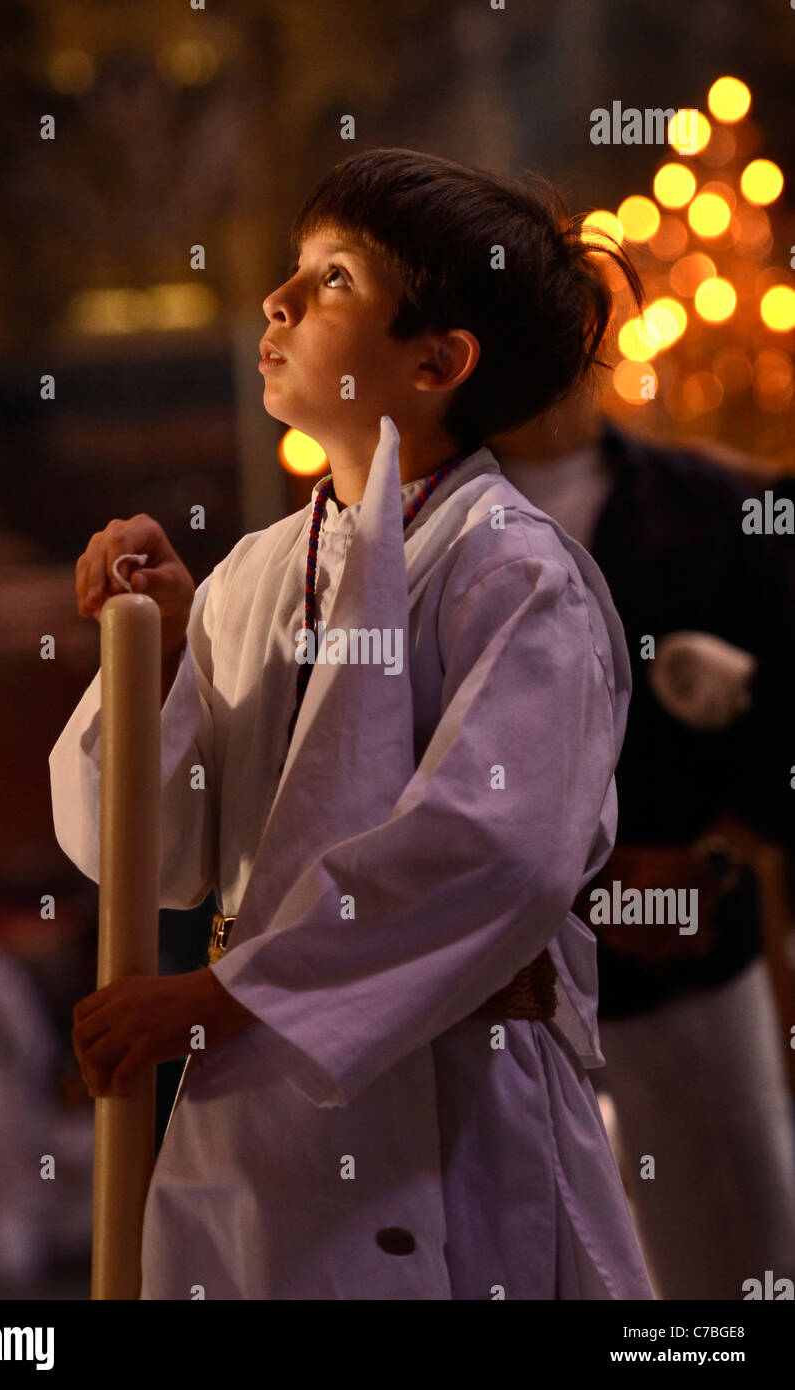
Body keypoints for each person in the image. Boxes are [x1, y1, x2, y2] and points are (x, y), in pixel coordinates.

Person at [49, 148, 654, 1300]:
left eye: (331, 279)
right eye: (293, 268)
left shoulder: (514, 575)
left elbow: (499, 849)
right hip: (262, 1115)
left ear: (438, 359)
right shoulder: (249, 576)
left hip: (461, 1101)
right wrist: (161, 651)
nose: (276, 300)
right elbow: (157, 858)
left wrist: (233, 996)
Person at [491, 388, 795, 1299]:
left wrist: (711, 860)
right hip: (505, 971)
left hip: (687, 947)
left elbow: (788, 705)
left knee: (739, 1253)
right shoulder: (426, 521)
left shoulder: (714, 500)